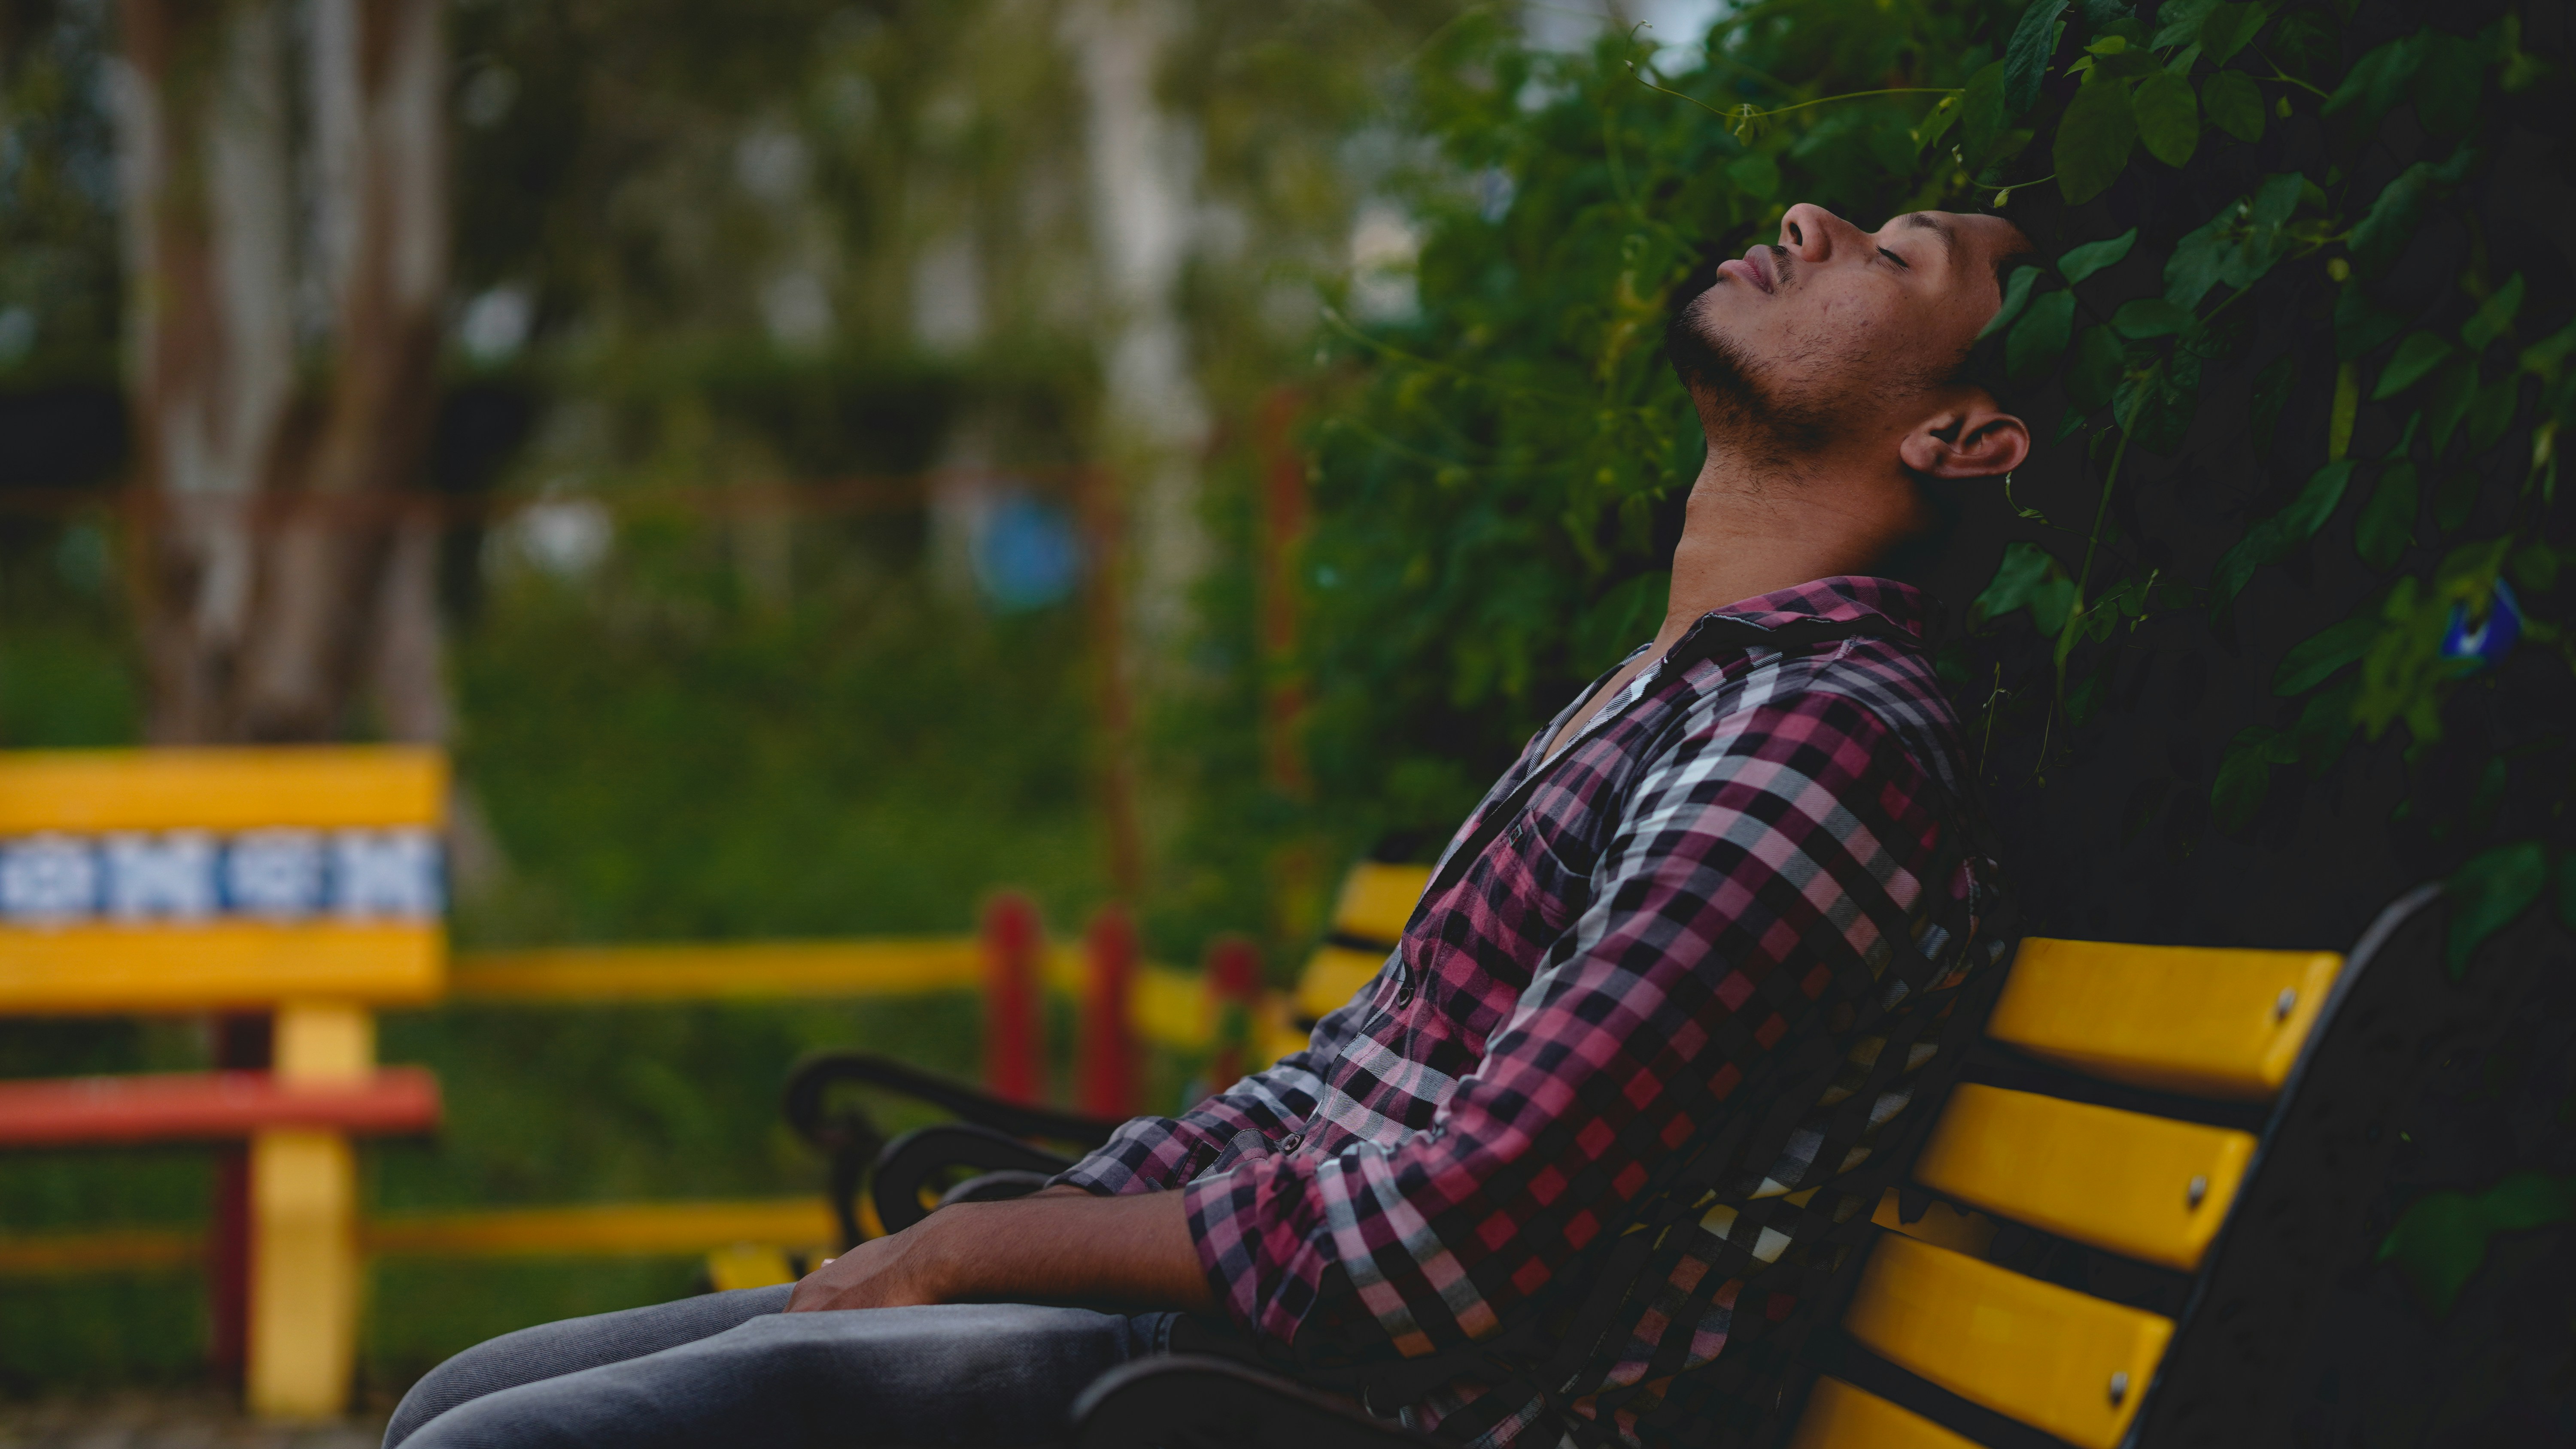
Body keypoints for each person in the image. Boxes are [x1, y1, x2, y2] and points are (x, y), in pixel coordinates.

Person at [385, 200, 2034, 1449]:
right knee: (470, 1392)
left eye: (1891, 261)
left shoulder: (1821, 741)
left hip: (1346, 1408)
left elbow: (1462, 1243)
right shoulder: (1681, 691)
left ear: (1958, 435)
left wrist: (991, 1255)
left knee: (495, 1442)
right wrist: (1003, 1232)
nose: (1811, 223)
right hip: (1263, 1360)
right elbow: (1343, 1092)